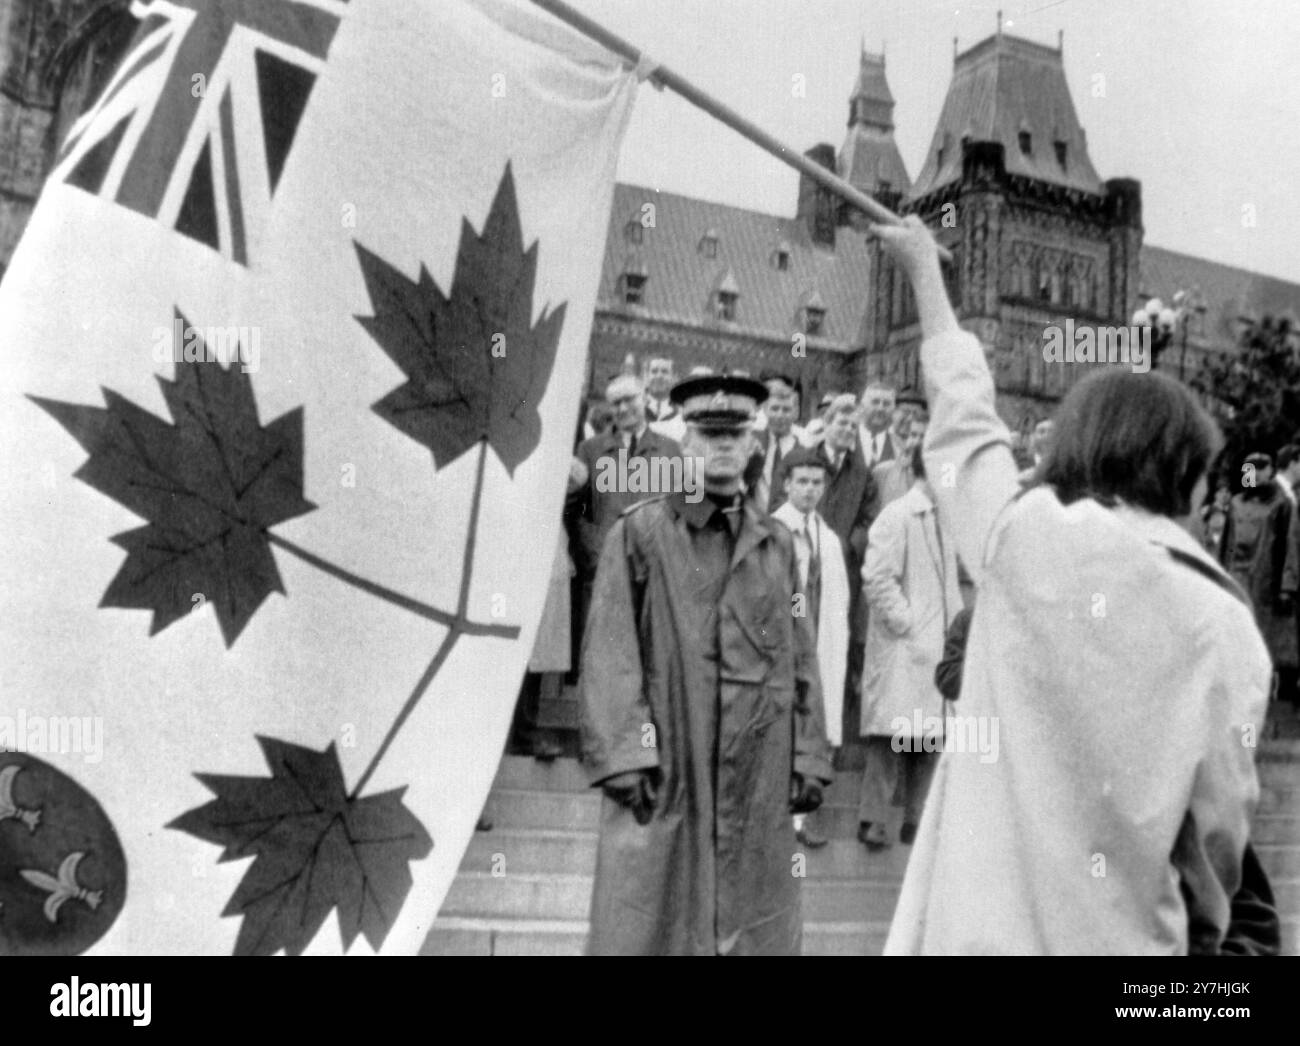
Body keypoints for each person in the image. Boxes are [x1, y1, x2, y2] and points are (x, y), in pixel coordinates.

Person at [874, 215, 1270, 955]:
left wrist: (926, 274)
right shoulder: (1227, 621)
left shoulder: (1021, 538)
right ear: (1185, 473)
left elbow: (964, 422)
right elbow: (1220, 837)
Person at [579, 374, 833, 956]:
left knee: (752, 925)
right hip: (672, 764)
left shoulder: (777, 547)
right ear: (683, 443)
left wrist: (808, 752)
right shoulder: (639, 534)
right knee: (656, 924)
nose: (722, 445)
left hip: (757, 769)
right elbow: (612, 649)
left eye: (735, 433)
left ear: (753, 445)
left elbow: (801, 654)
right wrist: (629, 753)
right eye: (706, 433)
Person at [856, 444, 962, 850]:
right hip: (905, 646)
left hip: (937, 647)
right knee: (890, 738)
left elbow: (949, 584)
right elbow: (878, 578)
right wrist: (909, 623)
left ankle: (916, 819)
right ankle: (872, 819)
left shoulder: (945, 521)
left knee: (929, 738)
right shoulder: (897, 514)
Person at [568, 375, 682, 656]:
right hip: (603, 570)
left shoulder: (670, 450)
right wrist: (596, 553)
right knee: (601, 653)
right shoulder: (591, 450)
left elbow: (681, 509)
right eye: (615, 403)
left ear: (644, 397)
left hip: (654, 571)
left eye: (629, 399)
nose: (622, 409)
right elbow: (577, 511)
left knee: (649, 652)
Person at [772, 448, 849, 849]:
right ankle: (775, 816)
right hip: (784, 646)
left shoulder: (829, 540)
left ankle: (802, 816)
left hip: (820, 645)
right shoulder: (772, 531)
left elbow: (839, 605)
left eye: (817, 482)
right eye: (801, 481)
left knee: (813, 726)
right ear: (786, 484)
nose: (809, 490)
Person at [816, 394, 878, 741]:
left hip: (844, 573)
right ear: (827, 425)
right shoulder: (806, 462)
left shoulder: (862, 475)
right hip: (806, 569)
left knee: (839, 647)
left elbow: (869, 521)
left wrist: (844, 546)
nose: (847, 431)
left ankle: (835, 738)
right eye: (842, 423)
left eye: (853, 426)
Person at [1222, 452, 1296, 702]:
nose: (1250, 476)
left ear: (1269, 472)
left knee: (1267, 641)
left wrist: (1287, 585)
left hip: (1265, 578)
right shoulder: (1236, 503)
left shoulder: (1281, 504)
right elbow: (1227, 544)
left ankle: (1270, 695)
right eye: (1247, 470)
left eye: (1256, 470)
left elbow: (1289, 545)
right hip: (1237, 575)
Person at [749, 372, 810, 513]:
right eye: (775, 408)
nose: (780, 415)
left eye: (786, 410)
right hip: (753, 525)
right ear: (765, 409)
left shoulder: (803, 451)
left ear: (795, 412)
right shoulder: (753, 440)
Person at [857, 381, 899, 468]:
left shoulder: (898, 445)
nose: (880, 408)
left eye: (886, 404)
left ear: (894, 409)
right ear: (862, 406)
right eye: (875, 402)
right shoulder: (848, 438)